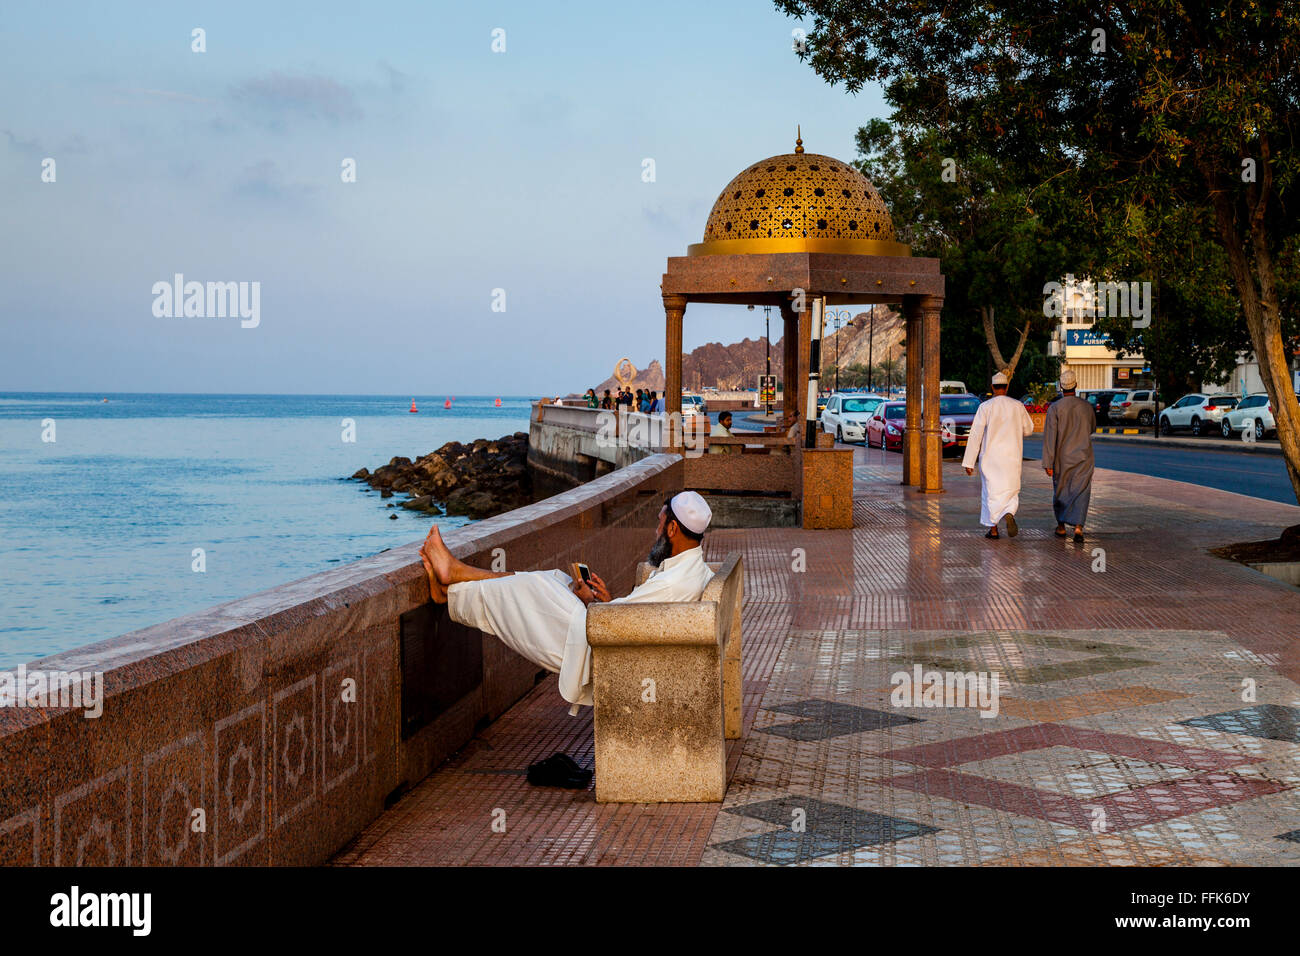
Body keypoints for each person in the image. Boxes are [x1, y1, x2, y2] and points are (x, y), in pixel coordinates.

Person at [418, 492, 715, 713]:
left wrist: (592, 604)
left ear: (673, 530)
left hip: (608, 653)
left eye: (659, 525)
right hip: (622, 641)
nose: (656, 532)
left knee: (536, 586)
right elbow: (640, 615)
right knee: (552, 580)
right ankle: (451, 584)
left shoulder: (673, 581)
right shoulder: (691, 569)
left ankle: (452, 582)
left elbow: (622, 623)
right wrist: (607, 601)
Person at [962, 371, 1035, 539]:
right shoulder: (1018, 406)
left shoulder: (985, 407)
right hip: (1012, 457)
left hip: (991, 458)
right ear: (1007, 387)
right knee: (1010, 490)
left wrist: (969, 462)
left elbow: (976, 435)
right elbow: (1029, 429)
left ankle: (993, 529)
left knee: (990, 492)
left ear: (993, 387)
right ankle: (1009, 512)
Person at [1041, 368, 1095, 542]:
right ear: (1076, 386)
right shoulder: (1086, 407)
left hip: (1062, 459)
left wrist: (1048, 463)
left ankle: (1061, 526)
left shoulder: (1055, 409)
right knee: (1082, 490)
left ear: (1061, 387)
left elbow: (1050, 438)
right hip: (1084, 457)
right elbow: (1092, 428)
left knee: (1061, 491)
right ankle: (1079, 528)